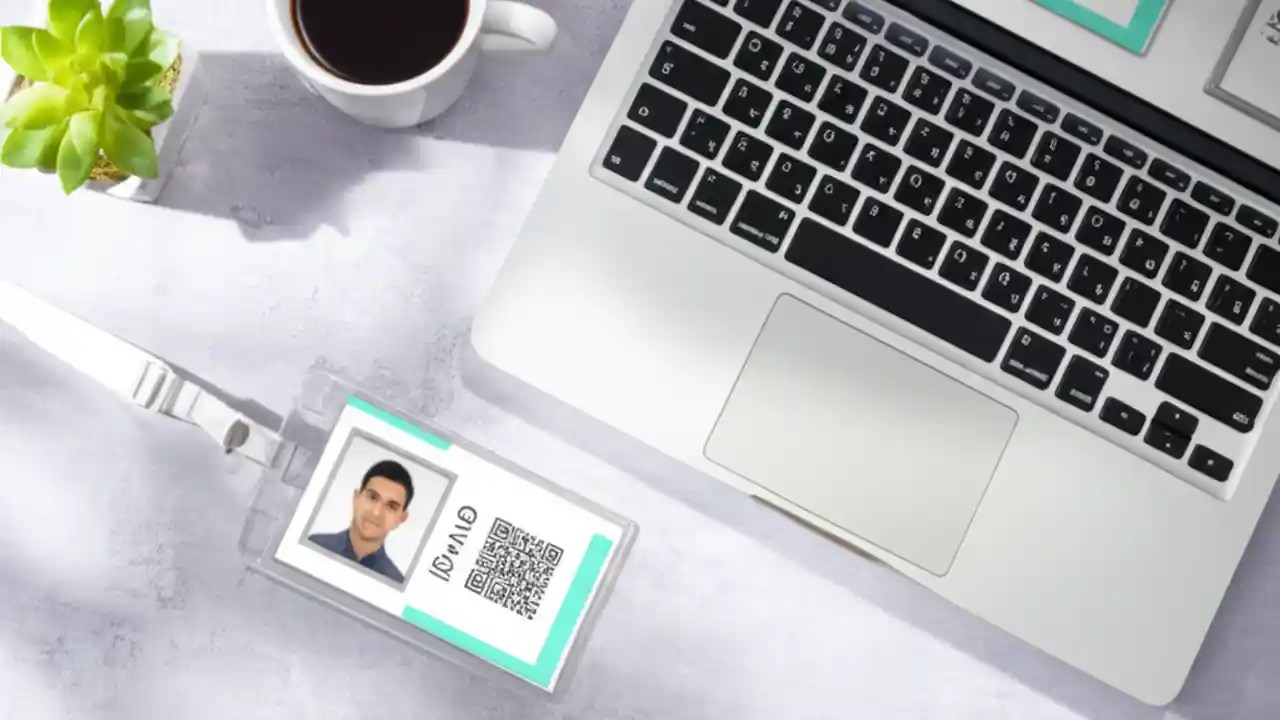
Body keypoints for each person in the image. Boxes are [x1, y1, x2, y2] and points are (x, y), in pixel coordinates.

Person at [310, 459, 414, 583]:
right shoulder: (314, 545)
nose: (376, 512)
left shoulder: (395, 582)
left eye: (391, 506)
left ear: (401, 518)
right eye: (372, 497)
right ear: (356, 498)